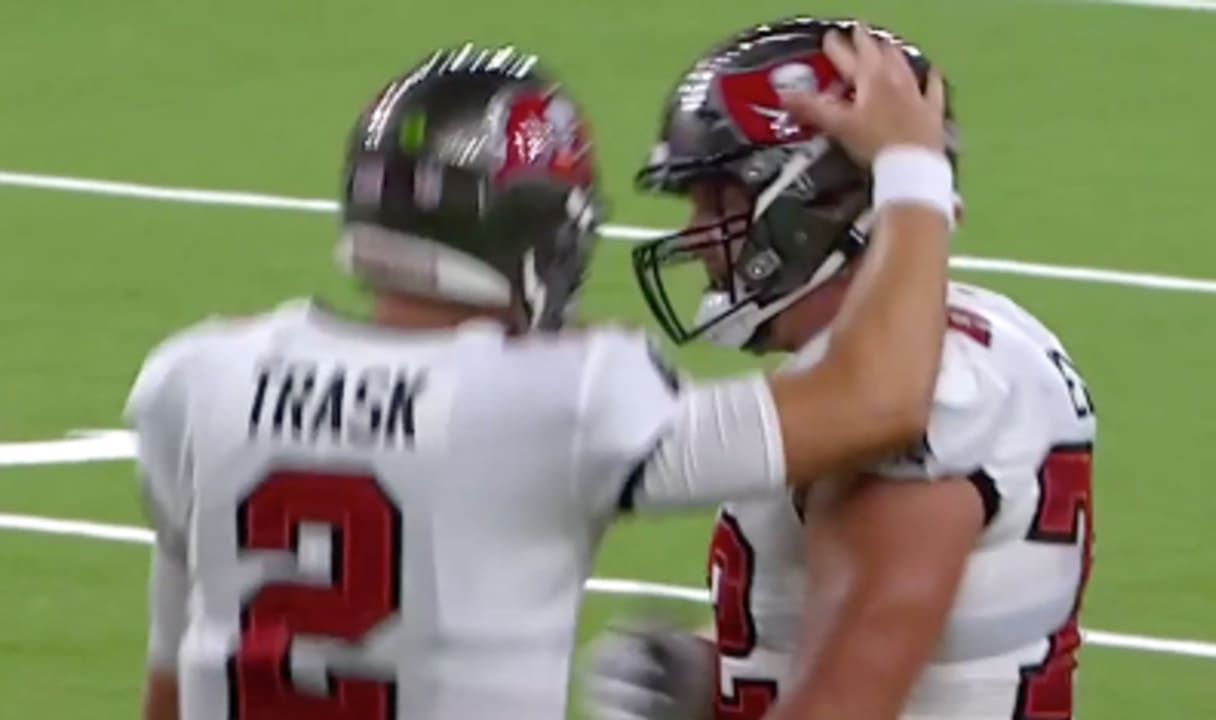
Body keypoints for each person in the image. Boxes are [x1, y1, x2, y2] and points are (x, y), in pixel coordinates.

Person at [129, 36, 957, 720]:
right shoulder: (568, 396)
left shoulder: (194, 378)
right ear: (541, 236)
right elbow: (878, 400)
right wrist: (912, 166)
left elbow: (170, 685)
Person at [587, 17, 1097, 720]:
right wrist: (710, 674)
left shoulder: (922, 402)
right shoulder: (976, 341)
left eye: (719, 201)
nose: (699, 239)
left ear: (812, 202)